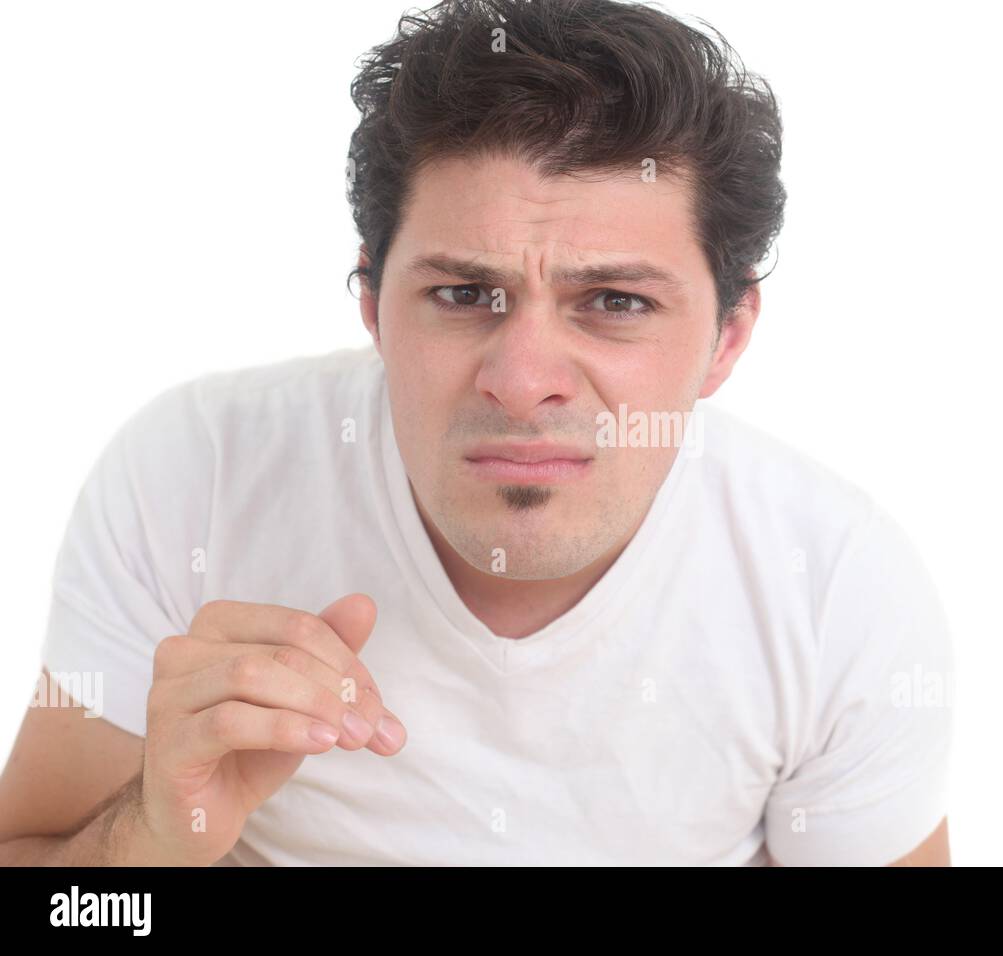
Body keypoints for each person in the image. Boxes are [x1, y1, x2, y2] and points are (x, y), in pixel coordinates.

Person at [0, 0, 953, 866]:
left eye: (615, 301)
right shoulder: (192, 478)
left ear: (726, 338)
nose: (523, 381)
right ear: (372, 304)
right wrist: (158, 839)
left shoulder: (834, 588)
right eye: (462, 294)